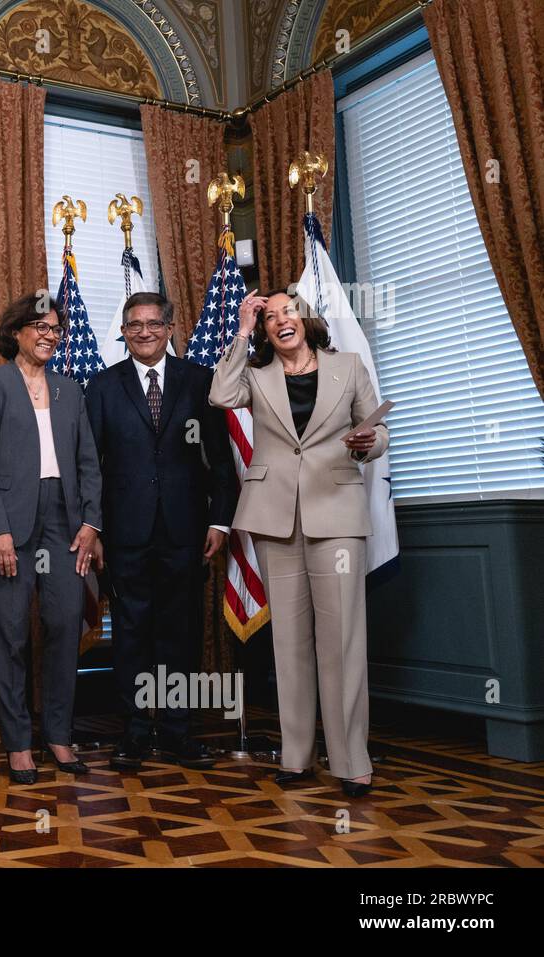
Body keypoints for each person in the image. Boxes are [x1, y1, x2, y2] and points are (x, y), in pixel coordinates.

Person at [209, 287, 388, 798]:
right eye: (271, 317)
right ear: (265, 331)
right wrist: (241, 331)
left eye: (290, 311)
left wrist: (366, 442)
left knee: (343, 641)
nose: (281, 320)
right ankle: (296, 755)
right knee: (288, 642)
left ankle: (352, 759)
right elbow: (220, 395)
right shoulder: (257, 375)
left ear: (307, 320)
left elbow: (377, 432)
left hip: (337, 515)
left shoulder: (348, 366)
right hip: (274, 518)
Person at [85, 291, 237, 770]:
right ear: (124, 332)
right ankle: (133, 732)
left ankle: (177, 730)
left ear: (170, 329)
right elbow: (91, 464)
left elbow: (221, 459)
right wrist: (96, 529)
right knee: (130, 635)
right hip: (124, 534)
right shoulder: (102, 387)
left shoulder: (201, 382)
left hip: (187, 531)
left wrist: (219, 519)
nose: (144, 332)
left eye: (153, 324)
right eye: (135, 325)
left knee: (181, 634)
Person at [0, 293, 104, 785]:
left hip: (63, 525)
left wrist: (92, 523)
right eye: (39, 327)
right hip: (8, 522)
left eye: (54, 329)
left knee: (66, 625)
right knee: (10, 635)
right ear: (17, 332)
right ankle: (19, 744)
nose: (49, 335)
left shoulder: (70, 390)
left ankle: (59, 736)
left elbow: (88, 460)